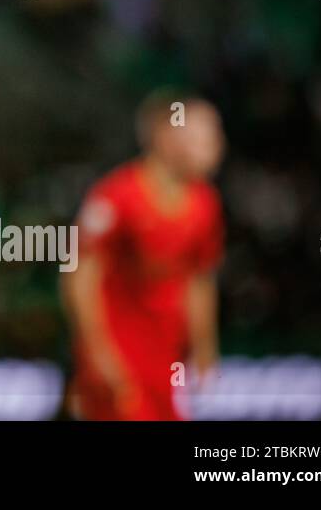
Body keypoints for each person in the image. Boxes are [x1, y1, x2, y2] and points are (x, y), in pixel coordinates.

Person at [63, 92, 225, 420]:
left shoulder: (206, 205)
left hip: (166, 359)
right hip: (119, 360)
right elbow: (79, 276)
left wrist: (206, 348)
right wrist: (99, 353)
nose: (216, 145)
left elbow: (199, 281)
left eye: (216, 134)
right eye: (200, 136)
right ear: (164, 138)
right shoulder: (116, 197)